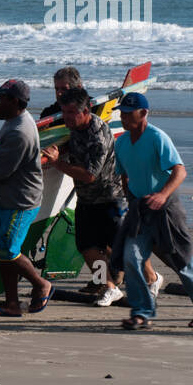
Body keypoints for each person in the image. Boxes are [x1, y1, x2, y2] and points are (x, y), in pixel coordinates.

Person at [111, 93, 193, 329]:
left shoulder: (157, 137)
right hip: (140, 208)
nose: (123, 117)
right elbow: (124, 174)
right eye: (122, 113)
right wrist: (131, 202)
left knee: (181, 261)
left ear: (143, 113)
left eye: (128, 113)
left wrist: (162, 195)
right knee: (131, 258)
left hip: (166, 207)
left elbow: (180, 171)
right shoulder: (122, 142)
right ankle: (142, 312)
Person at [0, 79, 54, 317]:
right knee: (2, 251)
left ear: (15, 101)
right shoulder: (14, 121)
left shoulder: (19, 132)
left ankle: (40, 283)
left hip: (21, 201)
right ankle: (11, 303)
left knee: (9, 250)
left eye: (1, 98)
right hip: (7, 197)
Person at [41, 88, 130, 306]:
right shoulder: (74, 128)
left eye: (72, 112)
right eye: (64, 112)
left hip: (109, 198)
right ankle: (108, 287)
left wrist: (57, 163)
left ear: (86, 110)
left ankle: (152, 280)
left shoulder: (97, 135)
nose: (67, 117)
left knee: (123, 250)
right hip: (86, 199)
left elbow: (90, 175)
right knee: (87, 247)